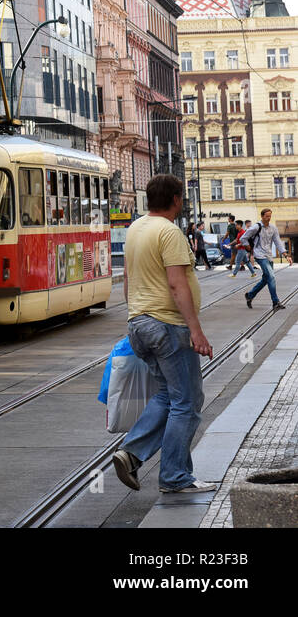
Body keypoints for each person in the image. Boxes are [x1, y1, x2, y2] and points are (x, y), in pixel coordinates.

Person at [111, 174, 217, 495]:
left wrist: (135, 317)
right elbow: (176, 284)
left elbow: (129, 279)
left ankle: (130, 454)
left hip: (140, 324)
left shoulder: (135, 229)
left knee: (169, 396)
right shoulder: (170, 232)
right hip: (167, 326)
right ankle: (174, 477)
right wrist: (195, 331)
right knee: (187, 402)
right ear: (176, 200)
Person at [244, 209, 289, 310]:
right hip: (259, 255)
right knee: (271, 277)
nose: (269, 218)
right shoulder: (256, 227)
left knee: (266, 279)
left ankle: (250, 295)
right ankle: (275, 302)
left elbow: (277, 242)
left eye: (270, 216)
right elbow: (243, 238)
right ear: (262, 216)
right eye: (267, 216)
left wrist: (286, 255)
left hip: (269, 256)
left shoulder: (273, 228)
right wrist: (247, 247)